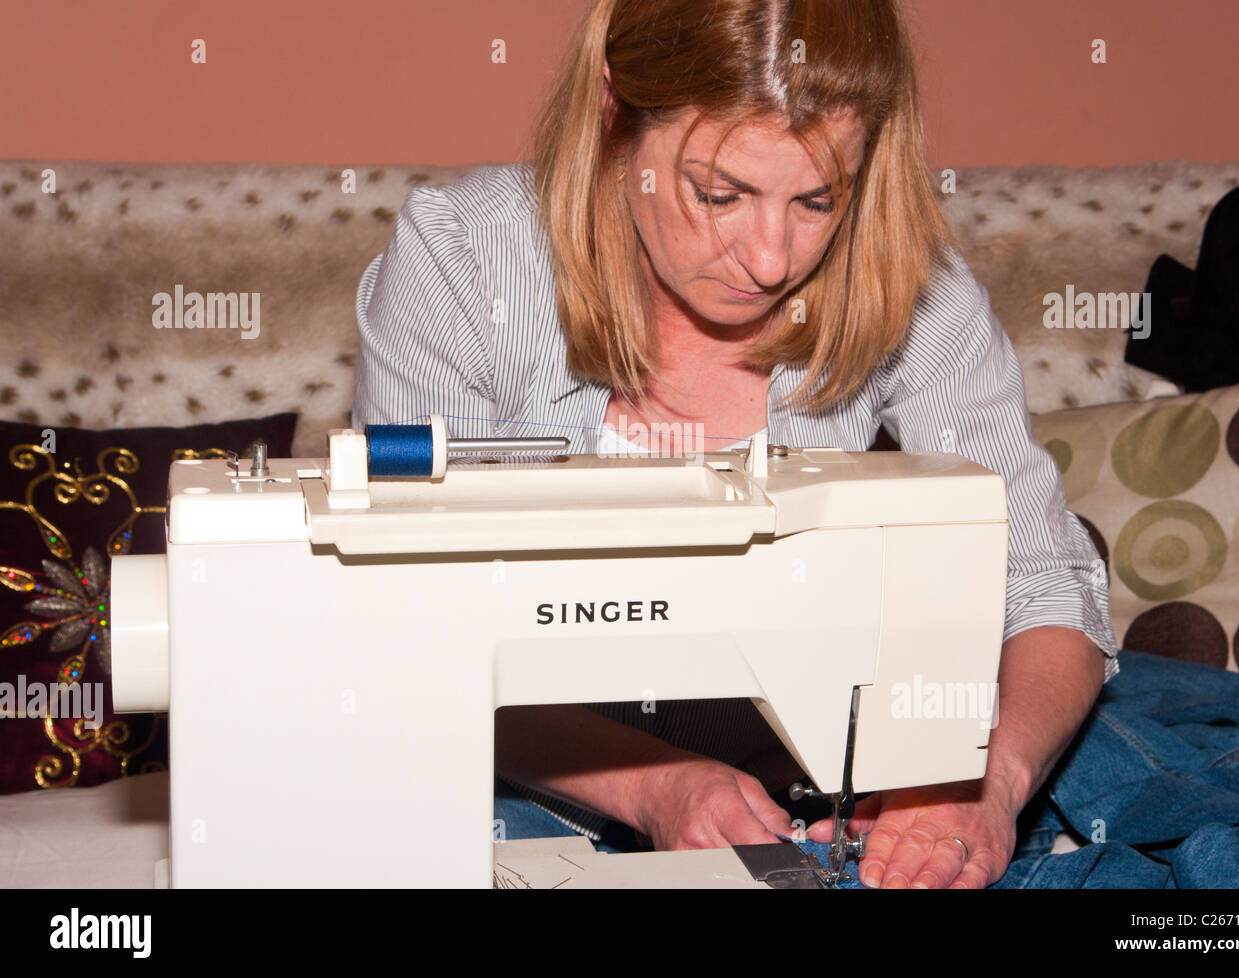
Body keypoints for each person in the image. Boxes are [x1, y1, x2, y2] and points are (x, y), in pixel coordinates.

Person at [352, 0, 1117, 889]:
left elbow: (1045, 585)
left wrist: (986, 785)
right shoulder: (463, 263)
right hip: (529, 771)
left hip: (816, 780)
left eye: (817, 200)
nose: (768, 259)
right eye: (721, 194)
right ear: (613, 109)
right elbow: (416, 629)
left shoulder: (907, 285)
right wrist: (653, 787)